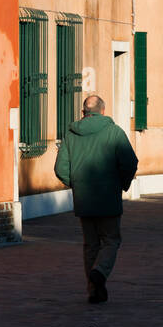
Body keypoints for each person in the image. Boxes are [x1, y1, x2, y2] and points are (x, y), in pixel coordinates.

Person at [54, 93, 138, 303]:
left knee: (90, 244)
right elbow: (130, 163)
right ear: (102, 111)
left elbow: (60, 168)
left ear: (84, 113)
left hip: (84, 199)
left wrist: (77, 185)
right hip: (108, 198)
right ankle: (99, 272)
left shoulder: (71, 134)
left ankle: (94, 290)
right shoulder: (114, 132)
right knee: (110, 240)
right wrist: (121, 184)